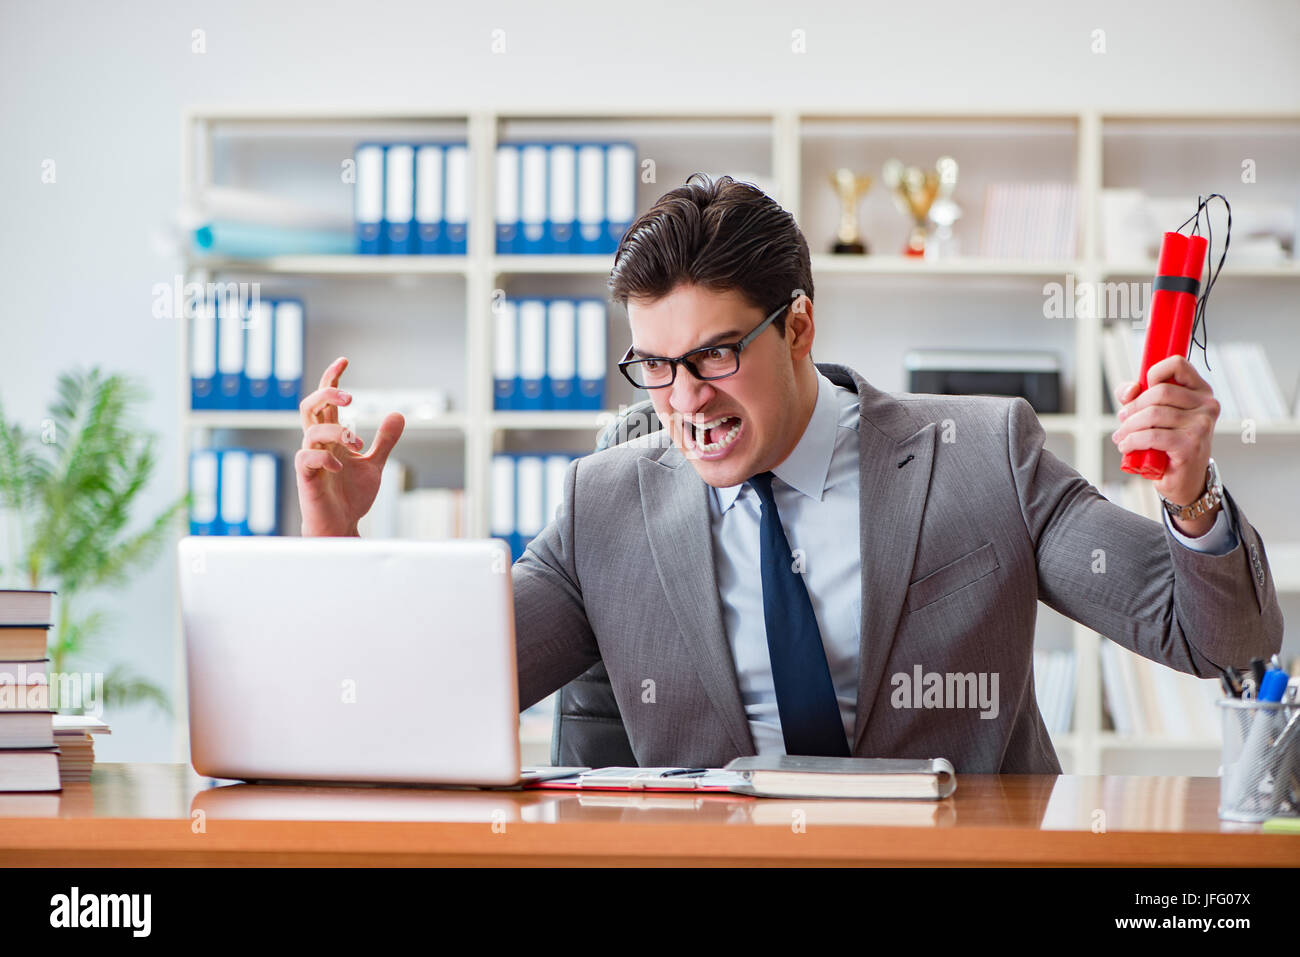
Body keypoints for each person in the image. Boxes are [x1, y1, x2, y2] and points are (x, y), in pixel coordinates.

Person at [294, 173, 1283, 772]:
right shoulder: (607, 501)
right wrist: (336, 541)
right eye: (655, 366)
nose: (683, 401)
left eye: (716, 356)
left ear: (799, 325)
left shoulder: (982, 452)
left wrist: (1186, 489)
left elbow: (1221, 637)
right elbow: (435, 692)